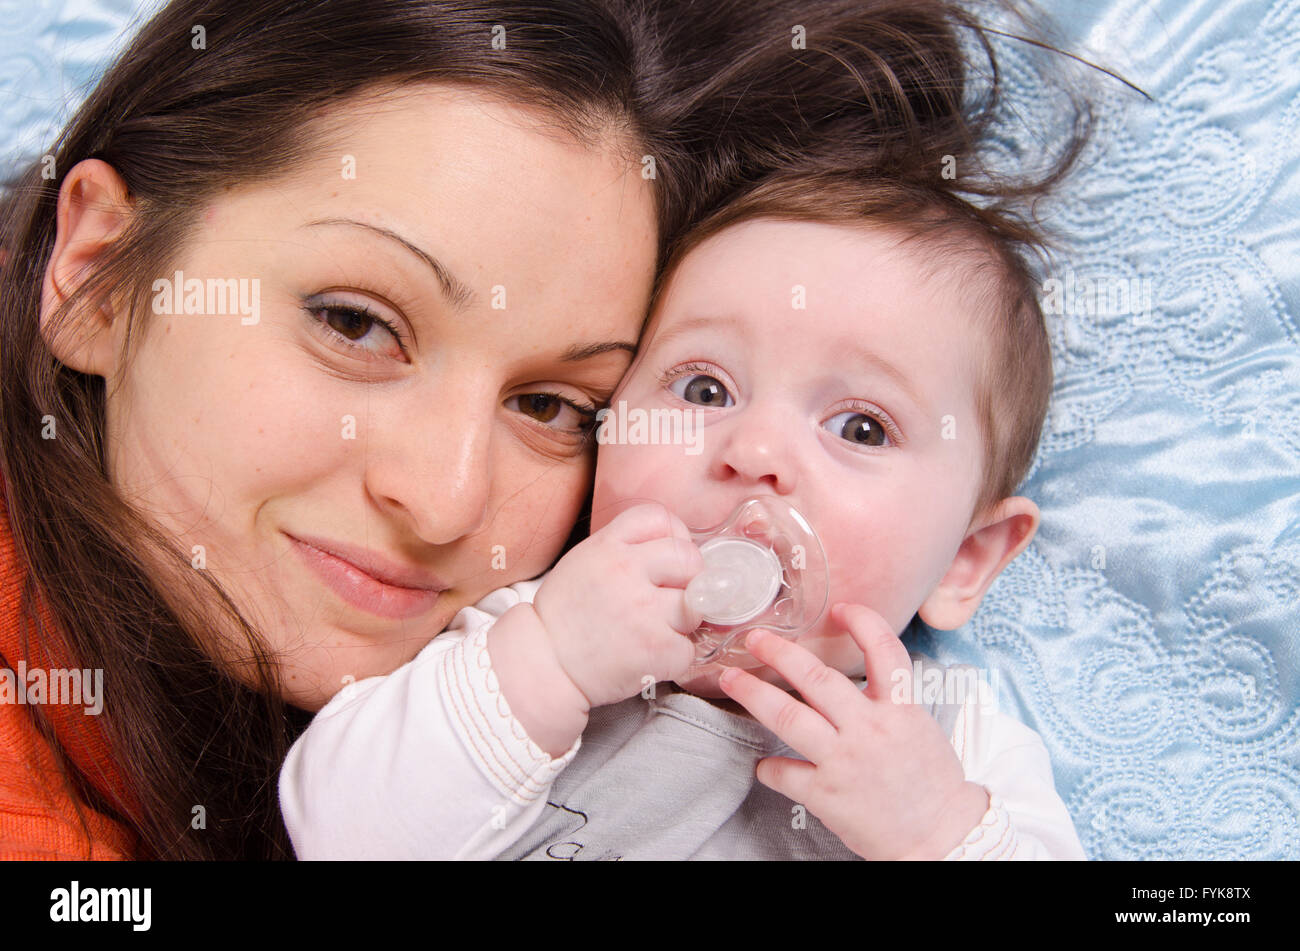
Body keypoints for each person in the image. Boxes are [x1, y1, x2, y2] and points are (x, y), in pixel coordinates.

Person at [0, 0, 1037, 858]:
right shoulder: (525, 649)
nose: (447, 497)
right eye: (355, 323)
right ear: (95, 275)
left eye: (552, 407)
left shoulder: (956, 733)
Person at [279, 172, 1088, 860]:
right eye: (704, 389)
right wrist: (550, 663)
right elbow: (334, 833)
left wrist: (935, 831)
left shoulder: (953, 743)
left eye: (861, 427)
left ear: (965, 560)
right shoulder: (519, 636)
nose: (756, 448)